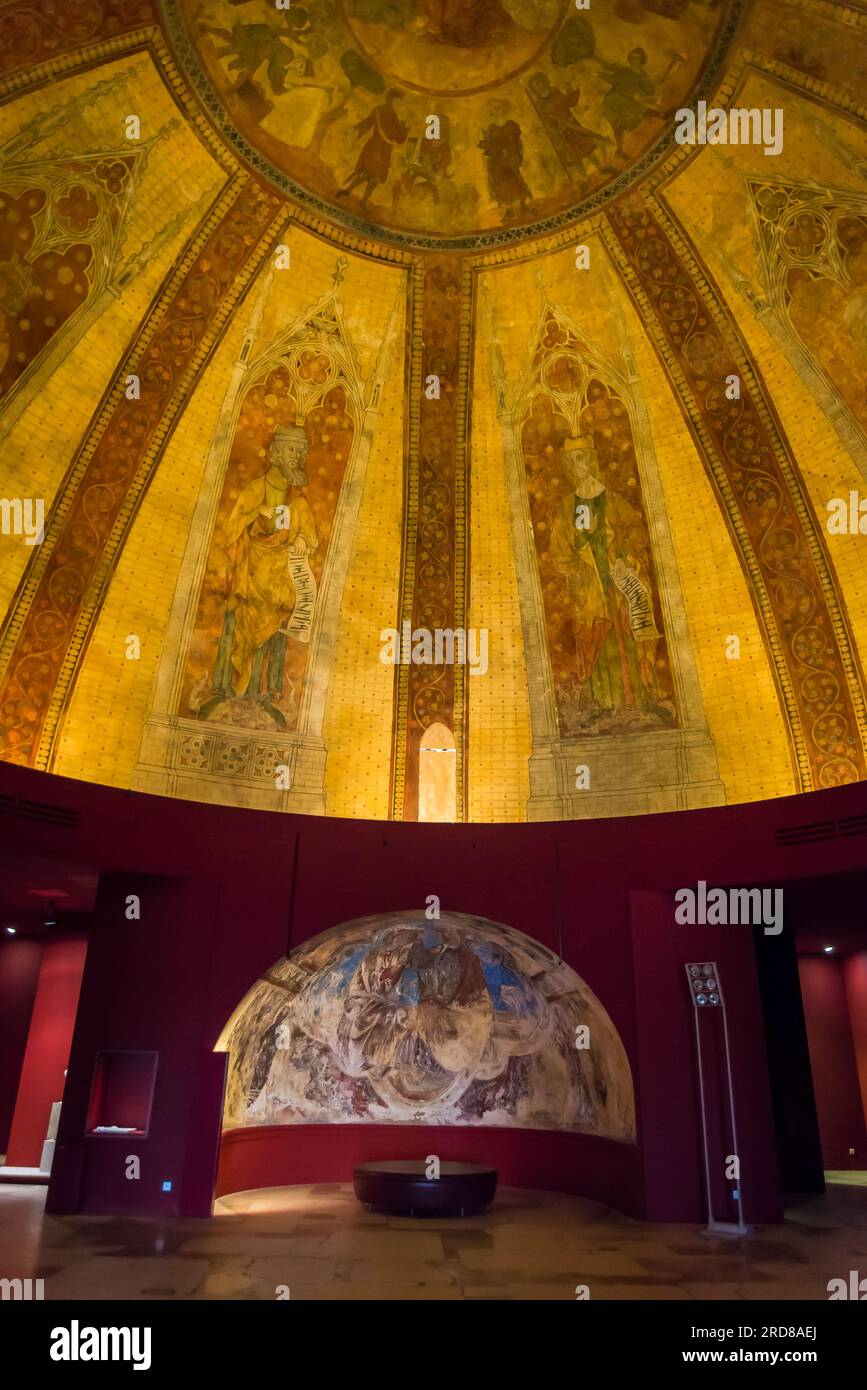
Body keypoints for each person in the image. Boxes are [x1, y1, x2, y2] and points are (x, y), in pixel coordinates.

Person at [199, 424, 317, 729]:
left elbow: (309, 534)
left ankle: (267, 694)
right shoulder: (255, 489)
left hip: (278, 585)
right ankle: (225, 690)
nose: (296, 457)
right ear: (276, 453)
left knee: (274, 635)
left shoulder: (298, 500)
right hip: (250, 579)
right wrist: (257, 513)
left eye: (300, 452)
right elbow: (231, 528)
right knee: (237, 630)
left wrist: (303, 541)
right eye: (291, 450)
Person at [336, 90, 408, 211]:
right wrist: (404, 130)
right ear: (392, 100)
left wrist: (356, 129)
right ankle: (360, 198)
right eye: (396, 101)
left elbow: (367, 124)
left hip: (376, 145)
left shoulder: (381, 111)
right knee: (372, 176)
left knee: (367, 174)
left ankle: (350, 192)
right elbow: (398, 138)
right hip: (382, 147)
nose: (396, 104)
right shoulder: (390, 114)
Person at [479, 100, 532, 222]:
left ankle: (524, 207)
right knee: (501, 185)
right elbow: (490, 144)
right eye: (493, 110)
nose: (495, 111)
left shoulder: (511, 125)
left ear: (503, 109)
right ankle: (510, 210)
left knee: (516, 181)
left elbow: (517, 142)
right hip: (497, 161)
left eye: (498, 108)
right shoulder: (491, 128)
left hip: (510, 158)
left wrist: (518, 155)